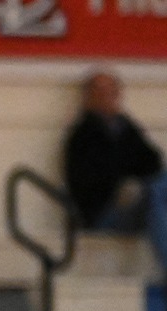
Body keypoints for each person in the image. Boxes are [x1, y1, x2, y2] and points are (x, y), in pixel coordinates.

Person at [64, 70, 167, 273]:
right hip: (103, 214)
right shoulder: (82, 135)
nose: (108, 97)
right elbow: (88, 184)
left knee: (158, 189)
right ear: (88, 97)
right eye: (100, 92)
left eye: (112, 91)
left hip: (134, 204)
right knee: (155, 192)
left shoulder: (126, 128)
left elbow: (153, 161)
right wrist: (126, 183)